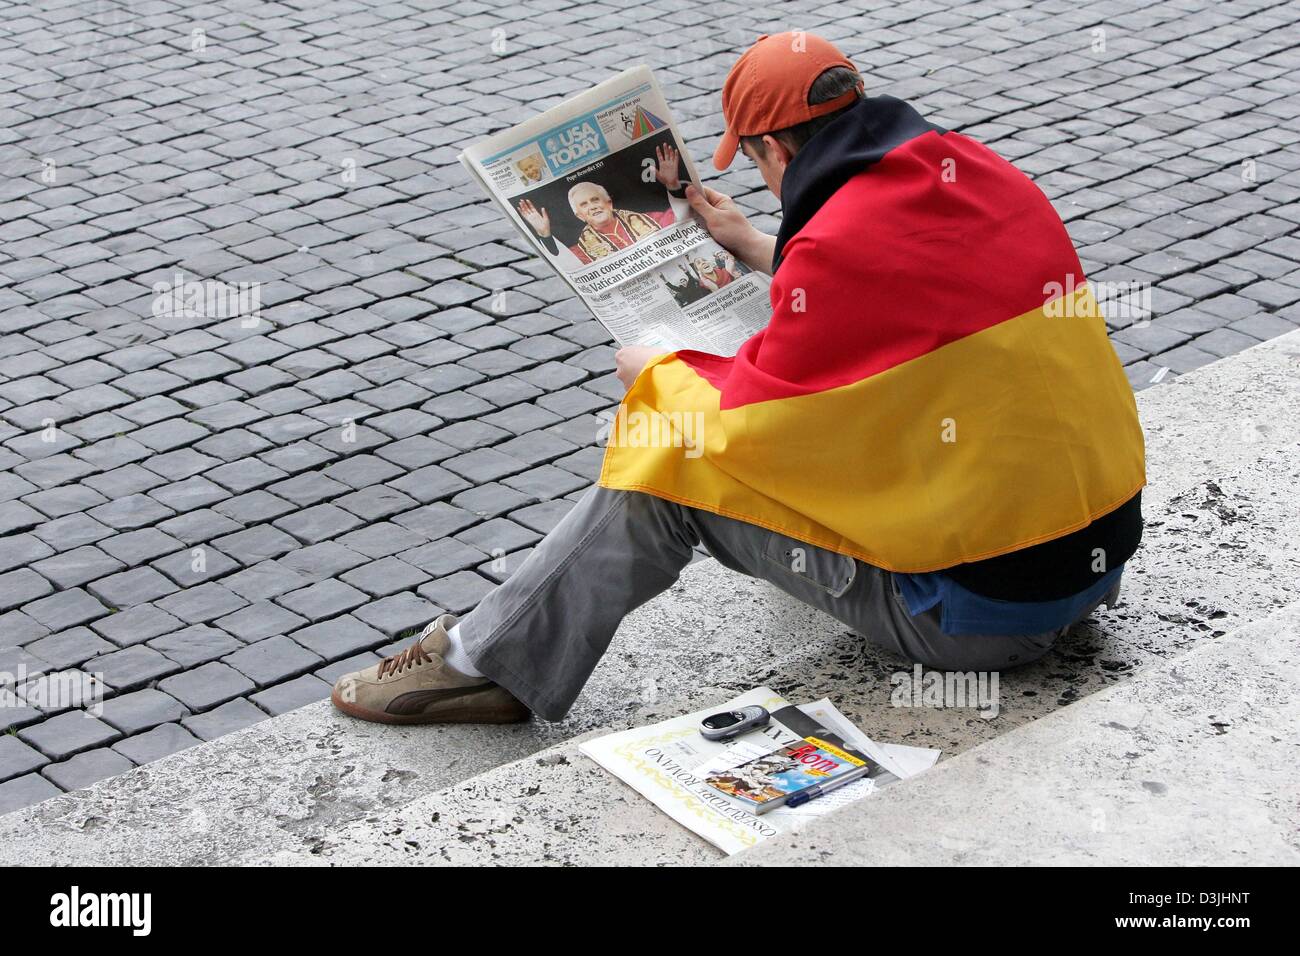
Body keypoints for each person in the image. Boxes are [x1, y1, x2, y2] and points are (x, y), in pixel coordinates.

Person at [331, 33, 1146, 726]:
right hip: (1088, 566)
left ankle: (483, 664)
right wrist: (758, 245)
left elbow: (745, 426)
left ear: (776, 150)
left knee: (666, 463)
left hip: (978, 622)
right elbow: (910, 295)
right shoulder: (984, 178)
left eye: (754, 161)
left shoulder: (833, 255)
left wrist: (657, 371)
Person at [518, 143, 688, 268]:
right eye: (584, 205)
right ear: (580, 216)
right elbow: (566, 264)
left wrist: (672, 185)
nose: (592, 207)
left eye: (595, 200)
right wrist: (546, 235)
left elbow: (684, 219)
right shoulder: (581, 252)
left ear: (609, 203)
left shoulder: (653, 219)